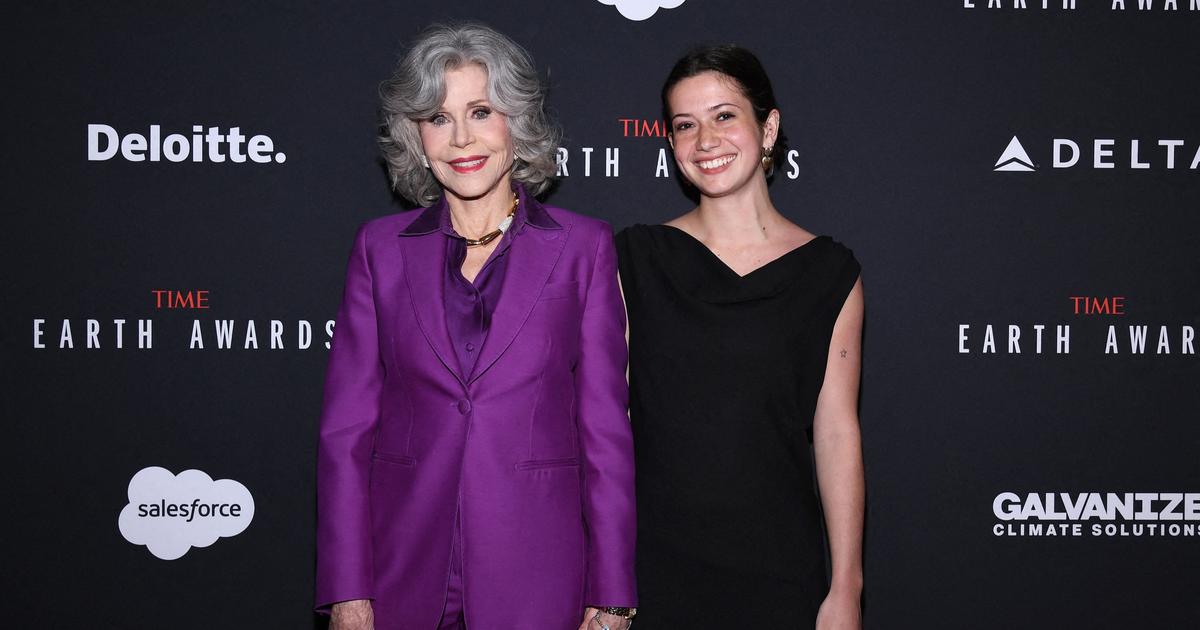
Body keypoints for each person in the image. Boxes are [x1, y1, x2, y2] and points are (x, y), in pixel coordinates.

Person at [315, 23, 637, 630]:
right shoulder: (379, 250)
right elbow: (346, 434)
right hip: (401, 572)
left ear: (516, 123)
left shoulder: (582, 248)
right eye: (438, 118)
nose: (461, 138)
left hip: (539, 574)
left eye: (481, 111)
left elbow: (605, 433)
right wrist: (346, 589)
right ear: (417, 136)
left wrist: (613, 594)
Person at [615, 45, 865, 629]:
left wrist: (846, 586)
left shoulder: (830, 274)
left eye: (724, 115)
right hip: (651, 569)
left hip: (778, 571)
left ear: (768, 126)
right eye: (685, 124)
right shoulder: (634, 261)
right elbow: (604, 426)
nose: (705, 139)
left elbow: (836, 433)